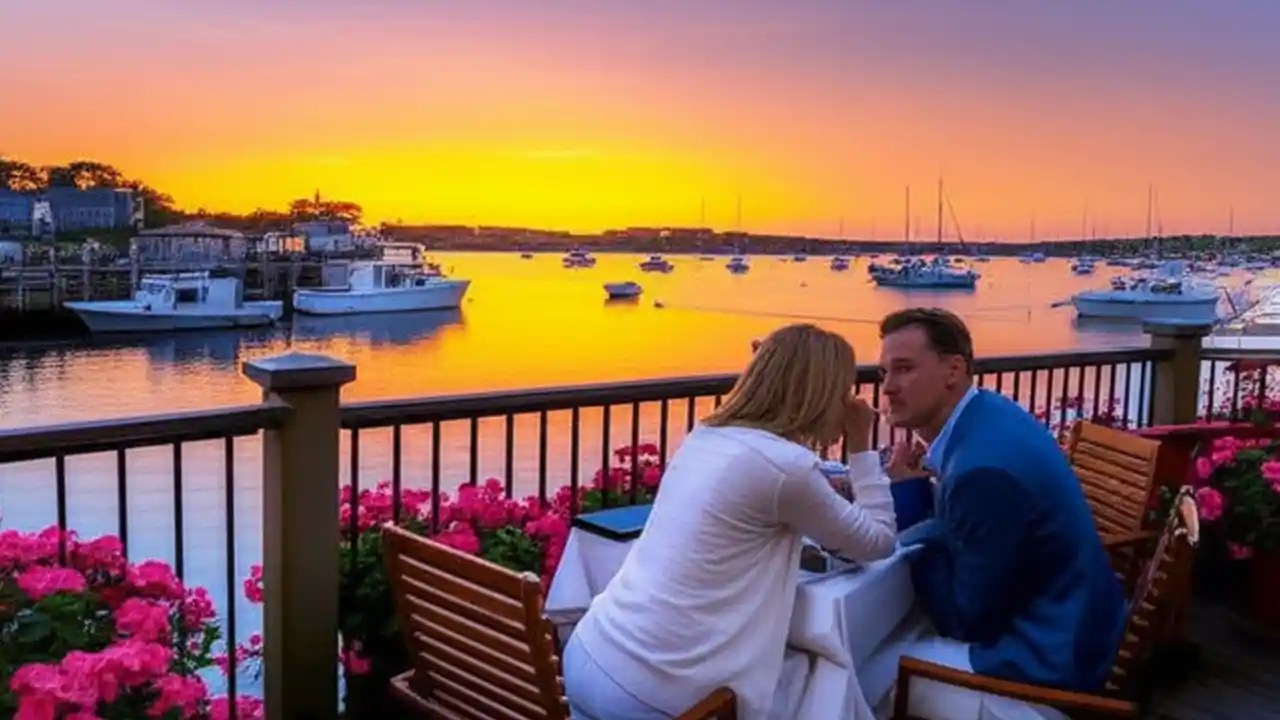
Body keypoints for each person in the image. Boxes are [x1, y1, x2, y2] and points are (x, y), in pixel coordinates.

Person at [563, 323, 899, 720]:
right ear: (821, 395)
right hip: (651, 694)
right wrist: (861, 445)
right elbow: (878, 543)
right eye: (842, 392)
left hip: (591, 653)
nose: (847, 404)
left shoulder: (708, 435)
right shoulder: (785, 468)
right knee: (826, 680)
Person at [877, 308, 1125, 717]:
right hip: (1073, 622)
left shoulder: (981, 471)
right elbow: (966, 538)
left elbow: (966, 622)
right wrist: (917, 499)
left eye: (904, 369)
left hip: (1043, 663)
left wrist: (911, 518)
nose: (887, 387)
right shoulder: (987, 414)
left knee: (865, 670)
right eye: (884, 372)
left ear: (953, 370)